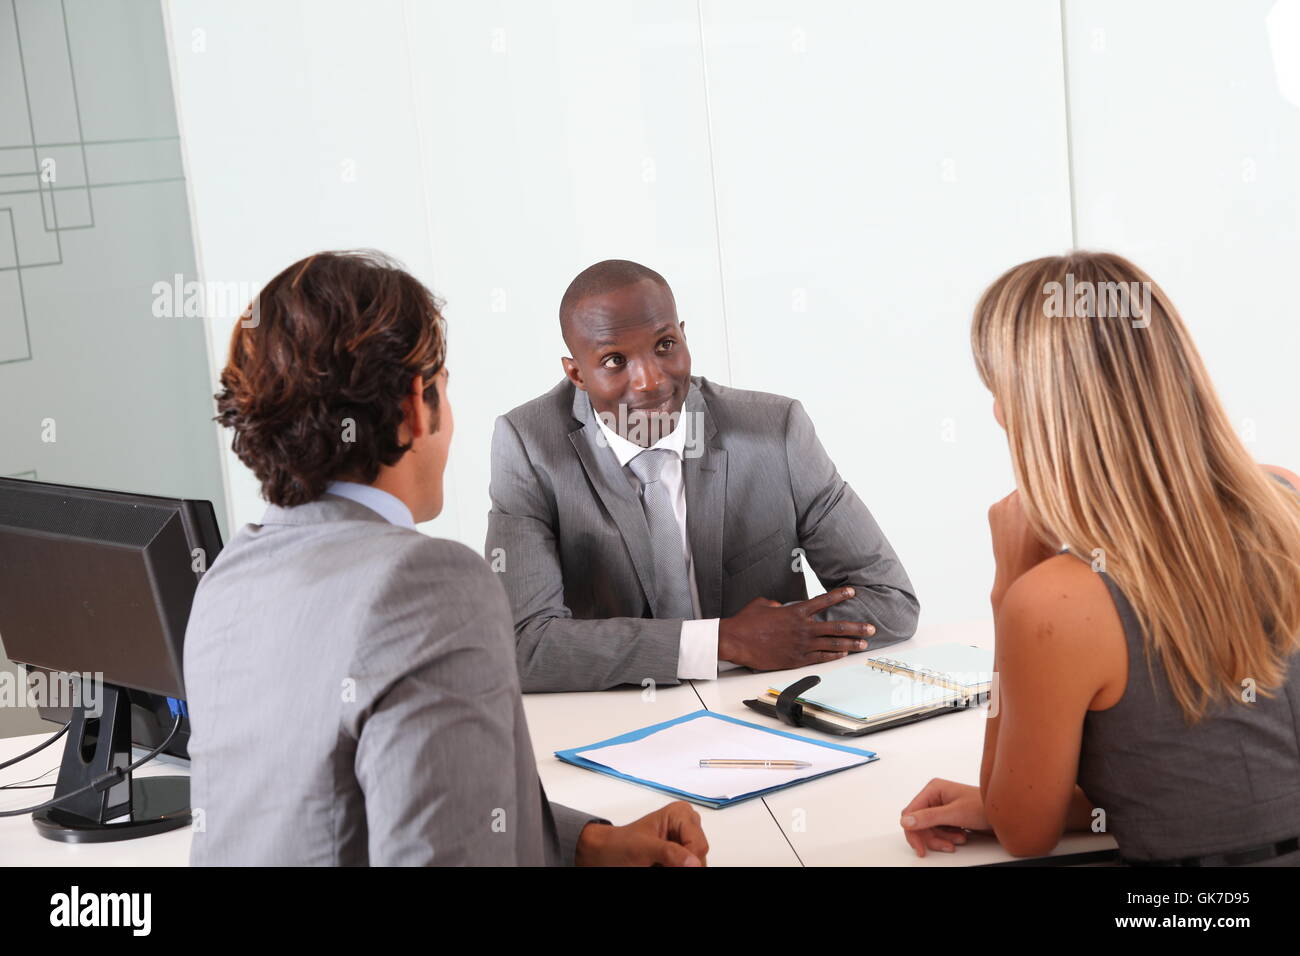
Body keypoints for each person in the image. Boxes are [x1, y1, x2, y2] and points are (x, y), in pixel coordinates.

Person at [185, 250, 708, 866]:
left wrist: (588, 845)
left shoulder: (229, 576)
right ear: (415, 404)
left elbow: (339, 810)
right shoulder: (428, 585)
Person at [900, 251, 1300, 866]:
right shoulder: (1286, 499)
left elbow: (1021, 834)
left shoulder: (1054, 601)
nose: (998, 413)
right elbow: (1230, 774)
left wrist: (1009, 587)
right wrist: (1074, 801)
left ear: (1046, 410)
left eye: (1002, 391)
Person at [486, 259, 919, 693]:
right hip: (617, 720)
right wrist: (724, 643)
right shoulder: (529, 447)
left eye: (664, 345)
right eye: (615, 360)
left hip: (758, 707)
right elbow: (523, 647)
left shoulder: (775, 430)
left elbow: (891, 601)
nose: (651, 381)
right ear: (577, 373)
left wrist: (789, 634)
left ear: (683, 336)